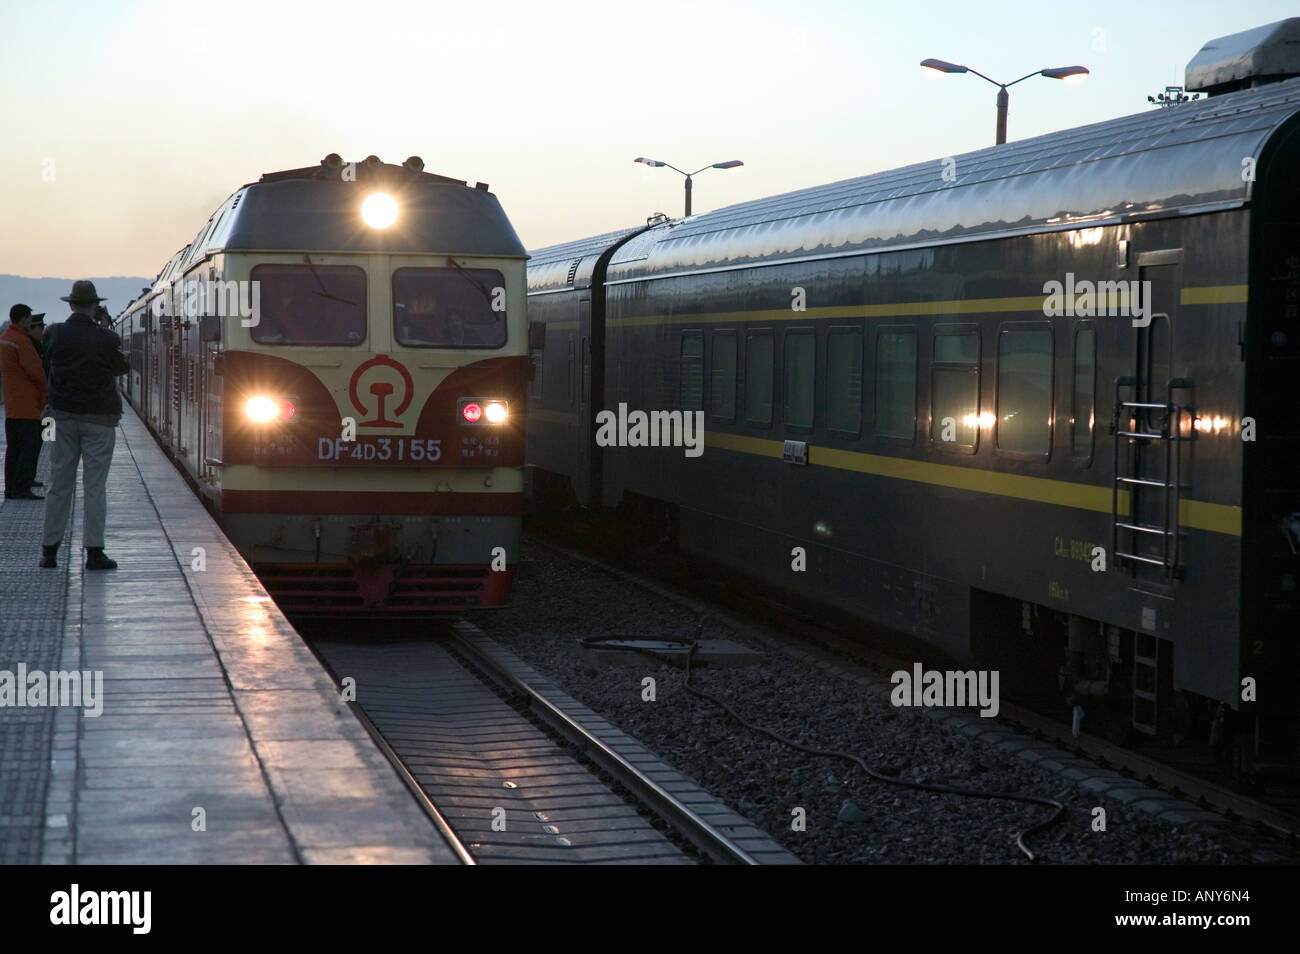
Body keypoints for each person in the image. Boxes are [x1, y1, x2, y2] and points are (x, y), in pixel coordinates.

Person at [40, 281, 130, 570]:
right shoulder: (105, 338)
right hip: (99, 421)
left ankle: (49, 552)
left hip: (60, 418)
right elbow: (121, 368)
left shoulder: (52, 333)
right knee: (94, 486)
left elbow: (47, 366)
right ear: (95, 306)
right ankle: (94, 552)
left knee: (58, 483)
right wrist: (103, 328)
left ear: (70, 305)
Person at [1, 304, 48, 500]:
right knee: (28, 449)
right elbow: (36, 372)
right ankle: (22, 488)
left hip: (11, 405)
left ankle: (10, 488)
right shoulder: (22, 341)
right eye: (29, 318)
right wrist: (46, 394)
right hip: (28, 404)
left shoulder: (4, 339)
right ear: (23, 319)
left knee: (13, 449)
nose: (31, 322)